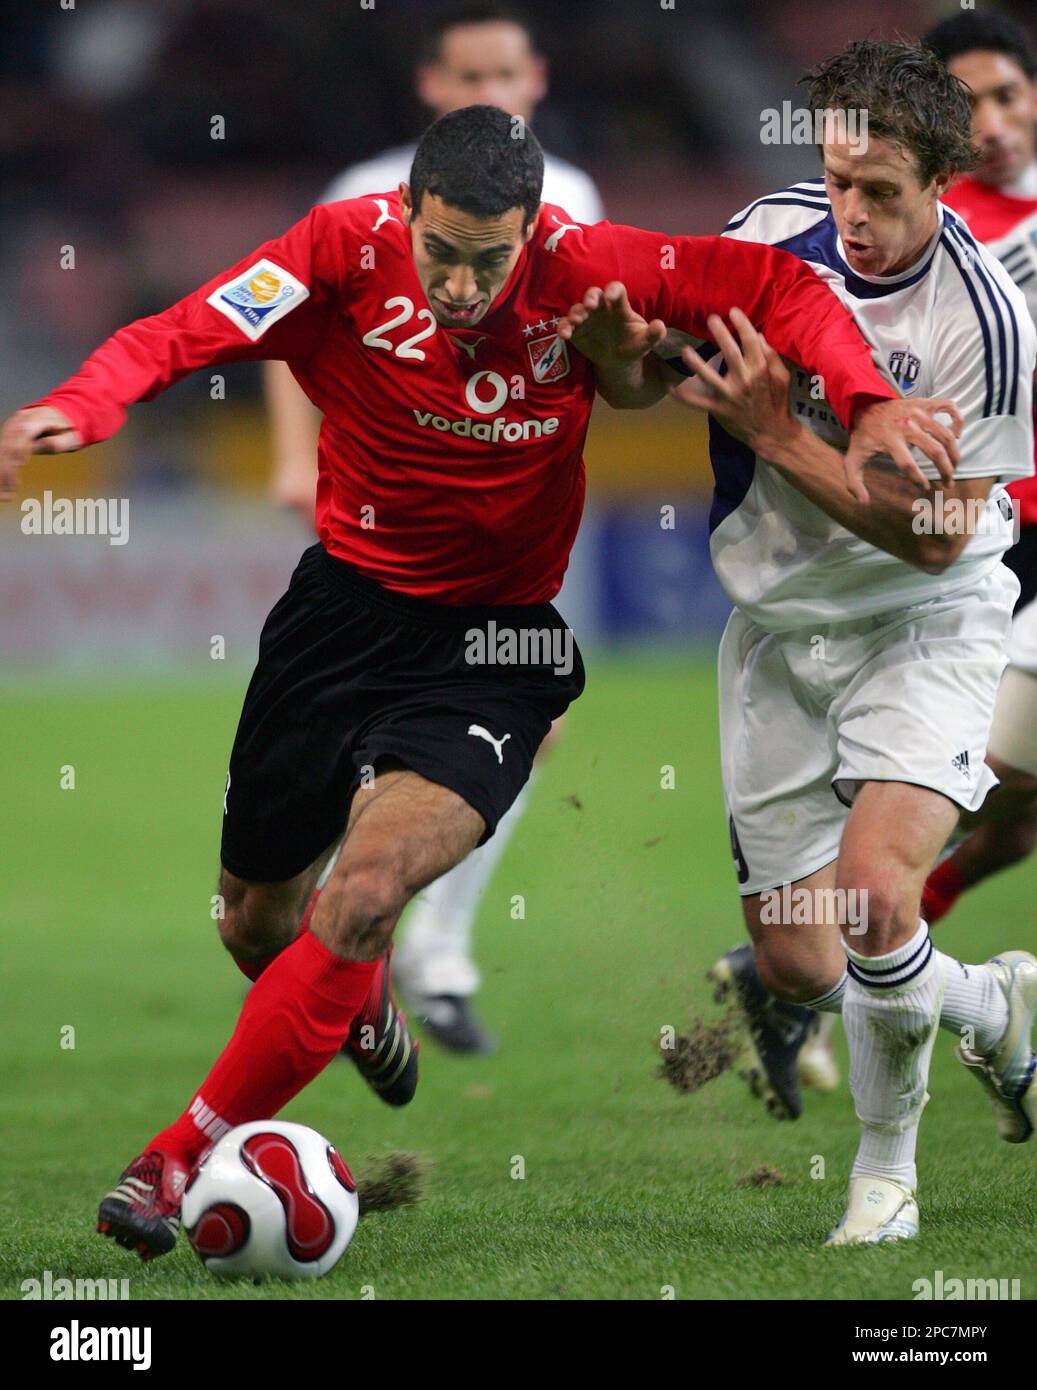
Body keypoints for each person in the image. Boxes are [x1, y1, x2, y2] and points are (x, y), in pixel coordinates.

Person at [1, 103, 945, 1262]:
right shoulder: (333, 252)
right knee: (257, 925)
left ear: (532, 230)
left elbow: (776, 289)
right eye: (438, 251)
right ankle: (358, 995)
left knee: (360, 895)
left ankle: (172, 1158)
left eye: (488, 259)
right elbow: (180, 333)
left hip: (495, 655)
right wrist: (74, 407)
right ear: (403, 215)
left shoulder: (584, 266)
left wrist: (864, 399)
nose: (459, 284)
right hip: (337, 623)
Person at [559, 40, 1037, 1244]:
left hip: (923, 623)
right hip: (775, 634)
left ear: (941, 176)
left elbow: (934, 541)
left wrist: (778, 435)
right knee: (792, 958)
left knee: (878, 899)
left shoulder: (985, 320)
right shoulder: (764, 240)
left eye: (879, 190)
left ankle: (883, 1180)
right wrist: (619, 349)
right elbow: (643, 380)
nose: (852, 215)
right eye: (836, 184)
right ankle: (992, 1008)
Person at [265, 2, 604, 1053]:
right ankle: (338, 924)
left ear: (536, 77)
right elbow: (286, 324)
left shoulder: (575, 196)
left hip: (513, 517)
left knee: (529, 727)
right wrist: (289, 455)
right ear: (431, 87)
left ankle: (434, 948)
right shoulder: (361, 193)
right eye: (469, 77)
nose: (488, 95)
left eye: (504, 74)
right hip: (386, 503)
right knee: (366, 723)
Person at [919, 11, 1037, 927]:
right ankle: (820, 958)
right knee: (983, 780)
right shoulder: (937, 236)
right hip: (997, 534)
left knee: (1014, 813)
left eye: (1007, 95)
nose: (992, 125)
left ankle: (825, 961)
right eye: (967, 109)